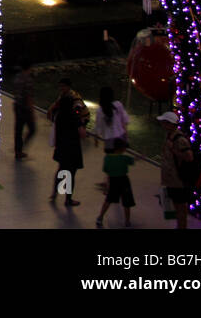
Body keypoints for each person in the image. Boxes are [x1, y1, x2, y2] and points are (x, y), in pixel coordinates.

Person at [47, 76, 87, 206]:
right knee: (70, 173)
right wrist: (81, 125)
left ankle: (55, 193)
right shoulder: (73, 118)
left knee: (62, 170)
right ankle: (68, 198)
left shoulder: (59, 117)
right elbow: (81, 130)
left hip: (61, 148)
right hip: (72, 148)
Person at [157, 111, 195, 229]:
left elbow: (189, 157)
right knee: (176, 207)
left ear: (170, 124)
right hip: (171, 180)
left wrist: (173, 149)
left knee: (181, 209)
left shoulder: (180, 139)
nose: (162, 124)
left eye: (164, 122)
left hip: (178, 180)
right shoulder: (169, 136)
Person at [96, 140, 135, 227]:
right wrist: (139, 157)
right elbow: (132, 161)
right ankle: (127, 221)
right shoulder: (125, 158)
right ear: (122, 149)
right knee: (126, 202)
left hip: (113, 181)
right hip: (124, 181)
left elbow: (105, 169)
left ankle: (100, 217)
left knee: (108, 199)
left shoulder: (107, 158)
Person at [11, 61, 36, 159]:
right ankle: (21, 147)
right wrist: (32, 111)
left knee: (18, 129)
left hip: (17, 106)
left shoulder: (17, 78)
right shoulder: (28, 79)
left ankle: (18, 150)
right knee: (32, 129)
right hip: (25, 108)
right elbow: (29, 97)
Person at [94, 86, 129, 151]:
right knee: (119, 157)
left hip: (109, 140)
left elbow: (97, 126)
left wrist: (96, 139)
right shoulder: (118, 105)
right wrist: (126, 137)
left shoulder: (100, 110)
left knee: (111, 158)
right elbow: (124, 121)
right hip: (120, 137)